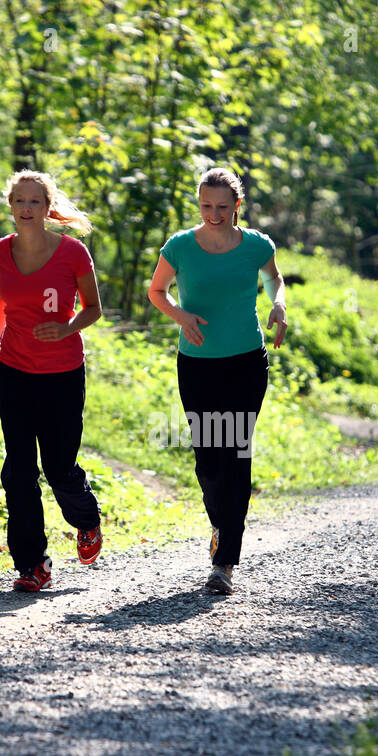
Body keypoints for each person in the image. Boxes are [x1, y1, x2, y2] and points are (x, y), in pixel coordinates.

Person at [147, 167, 288, 594]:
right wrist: (181, 315)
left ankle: (225, 562)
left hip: (246, 361)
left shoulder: (256, 246)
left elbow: (273, 278)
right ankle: (219, 524)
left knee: (236, 453)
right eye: (207, 205)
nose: (214, 213)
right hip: (198, 364)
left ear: (237, 206)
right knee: (209, 459)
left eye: (222, 207)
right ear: (199, 203)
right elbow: (157, 292)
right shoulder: (181, 247)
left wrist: (278, 305)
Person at [0, 170, 104, 592]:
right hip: (15, 372)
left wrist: (67, 328)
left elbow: (93, 309)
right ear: (11, 206)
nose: (27, 209)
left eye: (35, 202)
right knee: (18, 471)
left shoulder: (72, 254)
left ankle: (86, 520)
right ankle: (32, 564)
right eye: (20, 201)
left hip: (63, 375)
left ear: (47, 208)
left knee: (59, 468)